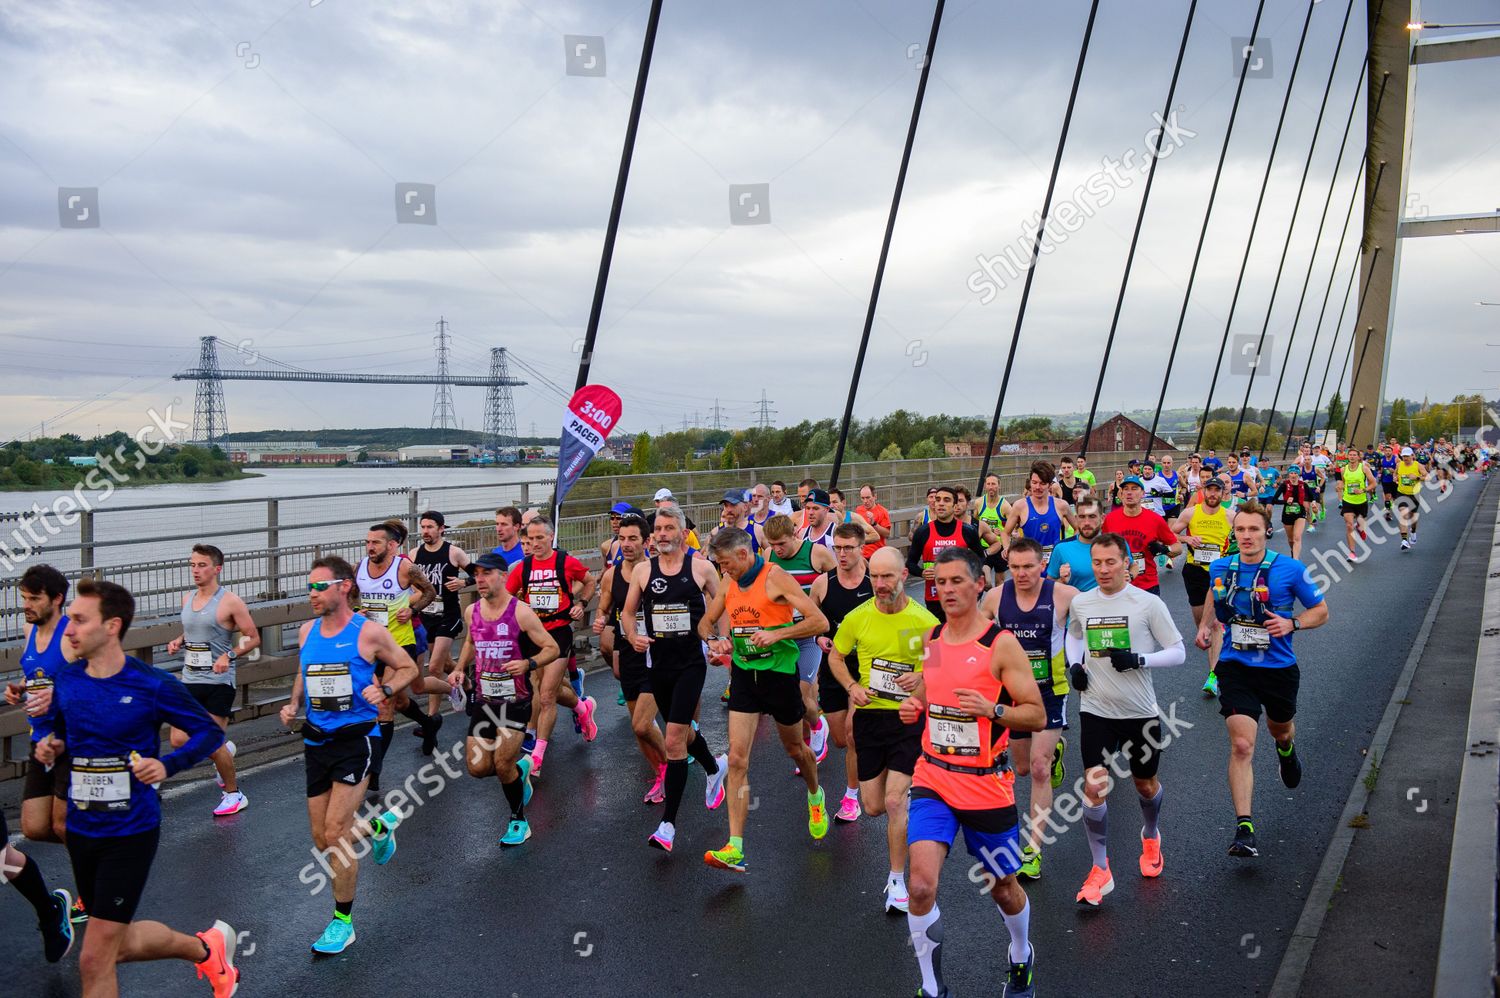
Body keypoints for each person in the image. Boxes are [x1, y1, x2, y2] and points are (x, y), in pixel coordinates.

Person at [33, 579, 240, 994]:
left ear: (111, 626)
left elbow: (207, 734)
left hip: (130, 832)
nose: (68, 629)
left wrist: (166, 765)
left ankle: (207, 951)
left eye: (78, 620)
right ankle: (206, 949)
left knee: (94, 959)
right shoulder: (70, 681)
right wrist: (51, 746)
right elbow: (61, 732)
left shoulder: (151, 684)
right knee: (115, 947)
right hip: (82, 829)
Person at [899, 546, 1044, 998]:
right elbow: (931, 689)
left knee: (1004, 887)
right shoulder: (932, 639)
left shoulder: (999, 644)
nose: (945, 591)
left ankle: (1021, 953)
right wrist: (914, 703)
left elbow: (1036, 714)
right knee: (920, 885)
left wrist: (994, 709)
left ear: (979, 582)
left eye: (955, 581)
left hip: (986, 785)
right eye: (939, 583)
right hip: (933, 777)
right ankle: (932, 986)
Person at [279, 557, 414, 953]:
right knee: (322, 838)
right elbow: (303, 672)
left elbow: (405, 667)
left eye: (320, 587)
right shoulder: (307, 631)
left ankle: (343, 921)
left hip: (357, 739)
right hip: (316, 740)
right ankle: (377, 829)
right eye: (309, 587)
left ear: (344, 587)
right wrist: (292, 705)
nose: (312, 594)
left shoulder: (368, 632)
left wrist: (386, 691)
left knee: (336, 834)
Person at [1195, 500, 1327, 857]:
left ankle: (1286, 750)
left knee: (1279, 729)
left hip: (1278, 668)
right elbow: (1214, 588)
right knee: (1241, 745)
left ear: (1267, 531)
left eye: (1253, 529)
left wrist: (1293, 622)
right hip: (1235, 665)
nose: (1247, 536)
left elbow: (1321, 611)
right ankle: (1245, 828)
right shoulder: (1222, 565)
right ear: (1233, 533)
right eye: (1240, 530)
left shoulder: (1291, 569)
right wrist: (1207, 625)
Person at [1064, 533, 1186, 905]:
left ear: (1127, 563)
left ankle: (1150, 834)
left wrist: (1139, 660)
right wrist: (1074, 665)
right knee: (1094, 786)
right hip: (1096, 708)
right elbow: (1073, 637)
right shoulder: (1081, 602)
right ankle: (1100, 868)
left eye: (1110, 562)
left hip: (1140, 711)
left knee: (1145, 785)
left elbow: (1178, 651)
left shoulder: (1146, 604)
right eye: (1097, 562)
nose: (1103, 569)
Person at [699, 527, 830, 873]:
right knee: (738, 759)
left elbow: (819, 621)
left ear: (743, 555)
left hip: (779, 674)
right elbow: (705, 622)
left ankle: (815, 795)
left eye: (726, 564)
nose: (723, 572)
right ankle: (735, 846)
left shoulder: (776, 578)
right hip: (744, 675)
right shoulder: (728, 581)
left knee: (796, 751)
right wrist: (716, 640)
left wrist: (777, 633)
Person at [827, 548, 938, 913]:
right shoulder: (857, 618)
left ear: (904, 575)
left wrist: (920, 677)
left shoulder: (924, 621)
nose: (880, 584)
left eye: (887, 577)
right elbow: (836, 656)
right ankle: (904, 807)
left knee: (893, 802)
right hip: (870, 718)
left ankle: (896, 881)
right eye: (874, 576)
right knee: (873, 806)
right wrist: (851, 687)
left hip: (907, 719)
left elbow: (940, 669)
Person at [620, 505, 729, 854]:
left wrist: (720, 641)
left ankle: (668, 825)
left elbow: (721, 604)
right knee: (680, 730)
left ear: (682, 533)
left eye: (670, 528)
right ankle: (714, 766)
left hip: (690, 664)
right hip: (657, 663)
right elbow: (626, 612)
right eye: (659, 529)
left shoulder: (700, 568)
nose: (663, 535)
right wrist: (633, 634)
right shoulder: (642, 571)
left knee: (673, 740)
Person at [980, 538, 1077, 882]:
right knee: (1022, 767)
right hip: (1011, 697)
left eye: (1028, 567)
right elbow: (976, 635)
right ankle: (1054, 752)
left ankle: (1033, 849)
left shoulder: (1064, 596)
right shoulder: (995, 598)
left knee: (1037, 768)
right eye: (1016, 567)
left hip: (1050, 692)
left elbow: (1085, 630)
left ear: (1042, 566)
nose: (1021, 574)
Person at [450, 552, 559, 847]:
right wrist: (460, 668)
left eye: (486, 573)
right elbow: (471, 641)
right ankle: (521, 770)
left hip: (516, 699)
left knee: (501, 764)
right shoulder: (472, 610)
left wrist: (528, 664)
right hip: (485, 700)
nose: (480, 579)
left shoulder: (520, 612)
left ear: (501, 575)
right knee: (477, 768)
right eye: (477, 574)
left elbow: (552, 647)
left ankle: (518, 821)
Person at [164, 544, 259, 817]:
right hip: (190, 678)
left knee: (209, 739)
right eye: (192, 564)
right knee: (179, 739)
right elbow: (192, 632)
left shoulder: (229, 601)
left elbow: (253, 638)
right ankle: (224, 752)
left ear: (217, 568)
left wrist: (228, 655)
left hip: (219, 681)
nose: (195, 570)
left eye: (202, 565)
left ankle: (233, 793)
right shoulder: (188, 598)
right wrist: (178, 641)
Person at [506, 515, 599, 776]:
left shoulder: (565, 562)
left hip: (558, 632)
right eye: (530, 539)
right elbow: (508, 596)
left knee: (546, 695)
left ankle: (537, 755)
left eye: (539, 538)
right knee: (546, 688)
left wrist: (580, 604)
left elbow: (590, 581)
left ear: (550, 537)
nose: (535, 543)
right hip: (533, 634)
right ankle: (583, 708)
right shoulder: (522, 567)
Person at [357, 523, 440, 799]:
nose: (370, 547)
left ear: (392, 546)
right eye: (368, 542)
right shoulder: (359, 568)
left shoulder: (404, 569)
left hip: (398, 645)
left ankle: (374, 772)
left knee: (385, 702)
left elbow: (430, 592)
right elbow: (351, 603)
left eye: (376, 543)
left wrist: (412, 608)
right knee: (401, 702)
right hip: (371, 646)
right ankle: (428, 723)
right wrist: (359, 611)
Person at [592, 513, 669, 798]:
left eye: (632, 539)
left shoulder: (658, 571)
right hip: (628, 653)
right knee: (639, 729)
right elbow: (604, 609)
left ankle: (674, 767)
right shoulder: (613, 575)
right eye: (622, 539)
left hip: (657, 654)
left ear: (647, 542)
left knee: (643, 723)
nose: (625, 544)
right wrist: (600, 621)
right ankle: (661, 773)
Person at [4, 565, 75, 852]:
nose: (26, 606)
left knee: (62, 824)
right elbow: (37, 672)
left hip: (70, 741)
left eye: (34, 599)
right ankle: (104, 843)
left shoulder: (72, 635)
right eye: (24, 598)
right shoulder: (29, 630)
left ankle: (92, 892)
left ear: (57, 599)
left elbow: (95, 682)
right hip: (40, 738)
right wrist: (20, 686)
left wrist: (57, 692)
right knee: (33, 828)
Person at [810, 521, 876, 824]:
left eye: (848, 548)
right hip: (833, 665)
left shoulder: (874, 582)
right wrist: (819, 638)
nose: (842, 554)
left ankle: (852, 797)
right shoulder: (823, 583)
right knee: (839, 738)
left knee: (852, 734)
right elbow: (815, 620)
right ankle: (825, 730)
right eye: (837, 548)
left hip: (865, 669)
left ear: (862, 548)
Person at [764, 511, 836, 762]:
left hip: (809, 636)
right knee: (789, 700)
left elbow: (836, 585)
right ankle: (806, 751)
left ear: (794, 534)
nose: (778, 549)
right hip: (781, 637)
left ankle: (817, 728)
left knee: (801, 695)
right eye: (773, 544)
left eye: (782, 543)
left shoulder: (816, 554)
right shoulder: (768, 556)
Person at [1172, 479, 1235, 698]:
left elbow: (1245, 536)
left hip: (1219, 574)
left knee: (1215, 623)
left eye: (1217, 490)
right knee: (1202, 624)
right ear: (1204, 491)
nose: (1213, 493)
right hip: (1195, 572)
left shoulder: (1230, 516)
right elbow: (1171, 534)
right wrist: (1187, 538)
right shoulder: (1190, 513)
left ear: (1222, 493)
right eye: (1210, 489)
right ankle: (1218, 645)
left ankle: (1213, 675)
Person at [412, 512, 468, 718]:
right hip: (426, 616)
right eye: (423, 527)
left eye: (430, 527)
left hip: (449, 615)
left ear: (441, 528)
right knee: (443, 663)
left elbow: (477, 573)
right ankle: (468, 684)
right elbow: (406, 583)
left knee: (434, 667)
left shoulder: (453, 552)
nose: (425, 531)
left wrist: (464, 582)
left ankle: (432, 718)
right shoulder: (414, 554)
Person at [906, 486, 986, 621]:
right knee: (939, 637)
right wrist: (921, 572)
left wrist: (969, 575)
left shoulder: (968, 531)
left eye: (946, 500)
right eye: (938, 500)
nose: (941, 503)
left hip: (961, 595)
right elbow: (910, 563)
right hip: (934, 596)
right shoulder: (923, 532)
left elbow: (980, 558)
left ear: (955, 506)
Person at [1101, 476, 1182, 595]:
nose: (1129, 492)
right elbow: (1102, 550)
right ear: (1121, 494)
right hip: (1118, 585)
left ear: (1143, 493)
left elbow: (1178, 547)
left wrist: (1165, 549)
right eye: (1126, 489)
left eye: (1134, 489)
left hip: (1147, 584)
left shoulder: (1155, 519)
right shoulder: (1110, 519)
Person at [1003, 461, 1078, 570]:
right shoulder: (1020, 506)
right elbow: (1005, 533)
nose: (1037, 487)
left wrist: (1068, 548)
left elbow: (1077, 528)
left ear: (1050, 485)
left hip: (1054, 565)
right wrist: (1007, 548)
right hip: (1029, 565)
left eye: (1042, 483)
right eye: (1034, 482)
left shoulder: (1061, 505)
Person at [1047, 495, 1102, 592]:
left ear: (1102, 518)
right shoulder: (1061, 548)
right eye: (1082, 517)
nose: (1086, 522)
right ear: (1076, 518)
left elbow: (1132, 566)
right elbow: (1049, 587)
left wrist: (1130, 575)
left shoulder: (1116, 544)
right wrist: (1062, 581)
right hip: (1076, 606)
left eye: (1092, 516)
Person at [1334, 449, 1377, 562]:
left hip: (1361, 501)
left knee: (1360, 524)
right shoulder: (1343, 469)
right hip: (1348, 500)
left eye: (1354, 455)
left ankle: (1360, 528)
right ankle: (1352, 552)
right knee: (1349, 525)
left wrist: (1364, 490)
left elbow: (1373, 483)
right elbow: (1344, 482)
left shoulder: (1364, 468)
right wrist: (1339, 486)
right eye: (1350, 455)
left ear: (1358, 457)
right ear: (1348, 457)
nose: (1352, 457)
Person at [1274, 460, 1314, 560]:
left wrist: (1313, 504)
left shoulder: (1303, 485)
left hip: (1300, 512)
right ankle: (1293, 552)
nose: (1293, 475)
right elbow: (1274, 500)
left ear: (1298, 474)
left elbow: (1312, 497)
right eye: (1291, 473)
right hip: (1287, 514)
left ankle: (1295, 561)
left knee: (1297, 538)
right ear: (1289, 474)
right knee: (1291, 540)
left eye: (1295, 473)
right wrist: (1285, 501)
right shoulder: (1284, 485)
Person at [1394, 446, 1423, 550]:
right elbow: (1395, 472)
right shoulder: (1399, 464)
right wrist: (1395, 477)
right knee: (1404, 514)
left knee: (1413, 518)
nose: (1405, 458)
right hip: (1401, 493)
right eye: (1403, 456)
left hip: (1414, 494)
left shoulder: (1418, 465)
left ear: (1412, 456)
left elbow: (1427, 477)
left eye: (1407, 456)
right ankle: (1404, 540)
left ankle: (1413, 531)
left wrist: (1417, 477)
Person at [857, 483, 893, 559]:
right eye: (862, 498)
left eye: (868, 497)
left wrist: (874, 524)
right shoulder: (858, 510)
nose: (865, 501)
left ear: (875, 496)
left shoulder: (882, 511)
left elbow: (887, 534)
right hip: (860, 554)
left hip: (876, 555)